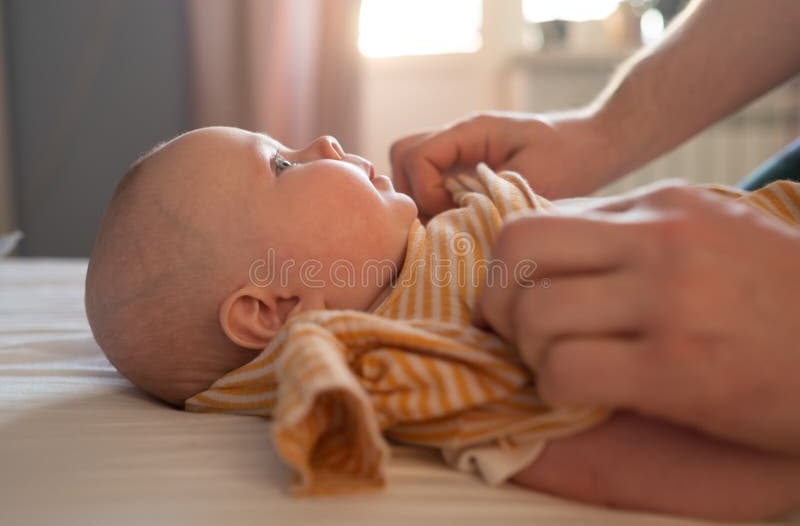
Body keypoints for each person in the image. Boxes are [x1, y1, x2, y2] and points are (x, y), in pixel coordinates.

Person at [85, 126, 800, 519]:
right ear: (269, 309)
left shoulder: (433, 252)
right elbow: (610, 466)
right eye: (280, 165)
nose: (326, 142)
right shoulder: (412, 355)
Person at [390, 0, 800, 462]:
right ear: (283, 307)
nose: (325, 144)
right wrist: (599, 134)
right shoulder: (395, 359)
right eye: (284, 165)